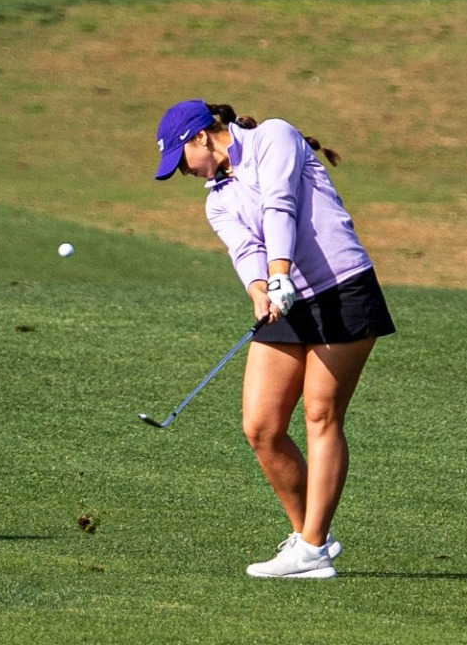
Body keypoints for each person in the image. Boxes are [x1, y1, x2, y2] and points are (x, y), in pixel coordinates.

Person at [154, 99, 395, 580]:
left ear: (201, 137)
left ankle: (310, 549)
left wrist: (280, 272)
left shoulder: (274, 137)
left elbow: (278, 204)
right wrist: (260, 289)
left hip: (343, 288)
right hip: (286, 299)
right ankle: (312, 539)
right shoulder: (216, 197)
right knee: (261, 426)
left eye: (179, 159)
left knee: (320, 413)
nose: (180, 171)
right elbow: (246, 248)